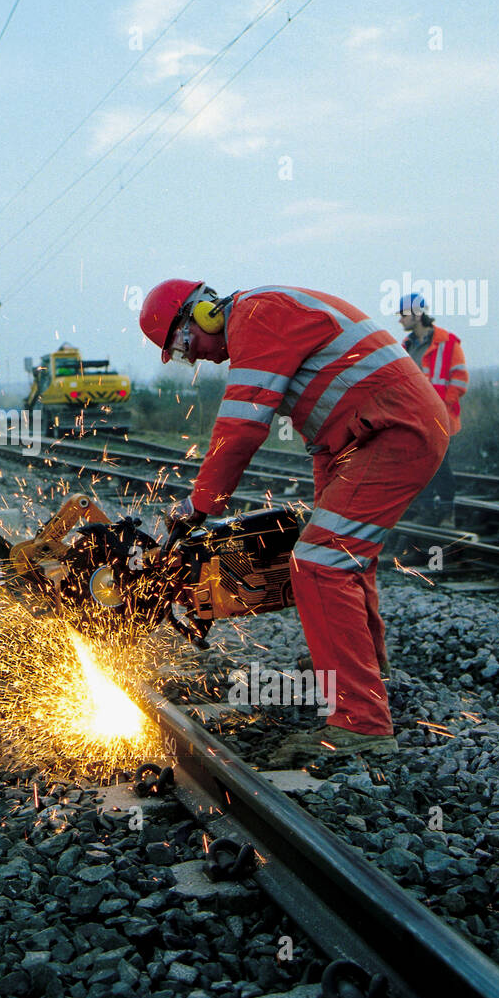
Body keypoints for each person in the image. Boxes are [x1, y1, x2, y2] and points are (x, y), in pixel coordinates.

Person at [139, 278, 450, 766]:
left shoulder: (257, 315)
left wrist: (200, 505)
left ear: (200, 314)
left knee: (318, 564)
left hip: (393, 432)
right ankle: (364, 666)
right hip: (365, 437)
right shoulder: (260, 314)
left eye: (184, 346)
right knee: (341, 556)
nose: (196, 358)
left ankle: (361, 723)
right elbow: (324, 425)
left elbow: (242, 425)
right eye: (183, 357)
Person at [398, 293, 467, 527]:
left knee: (440, 466)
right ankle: (426, 511)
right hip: (414, 419)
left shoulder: (448, 342)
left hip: (441, 419)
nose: (400, 320)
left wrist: (443, 406)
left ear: (418, 315)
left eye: (404, 314)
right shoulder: (405, 347)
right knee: (417, 466)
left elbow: (459, 379)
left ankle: (448, 514)